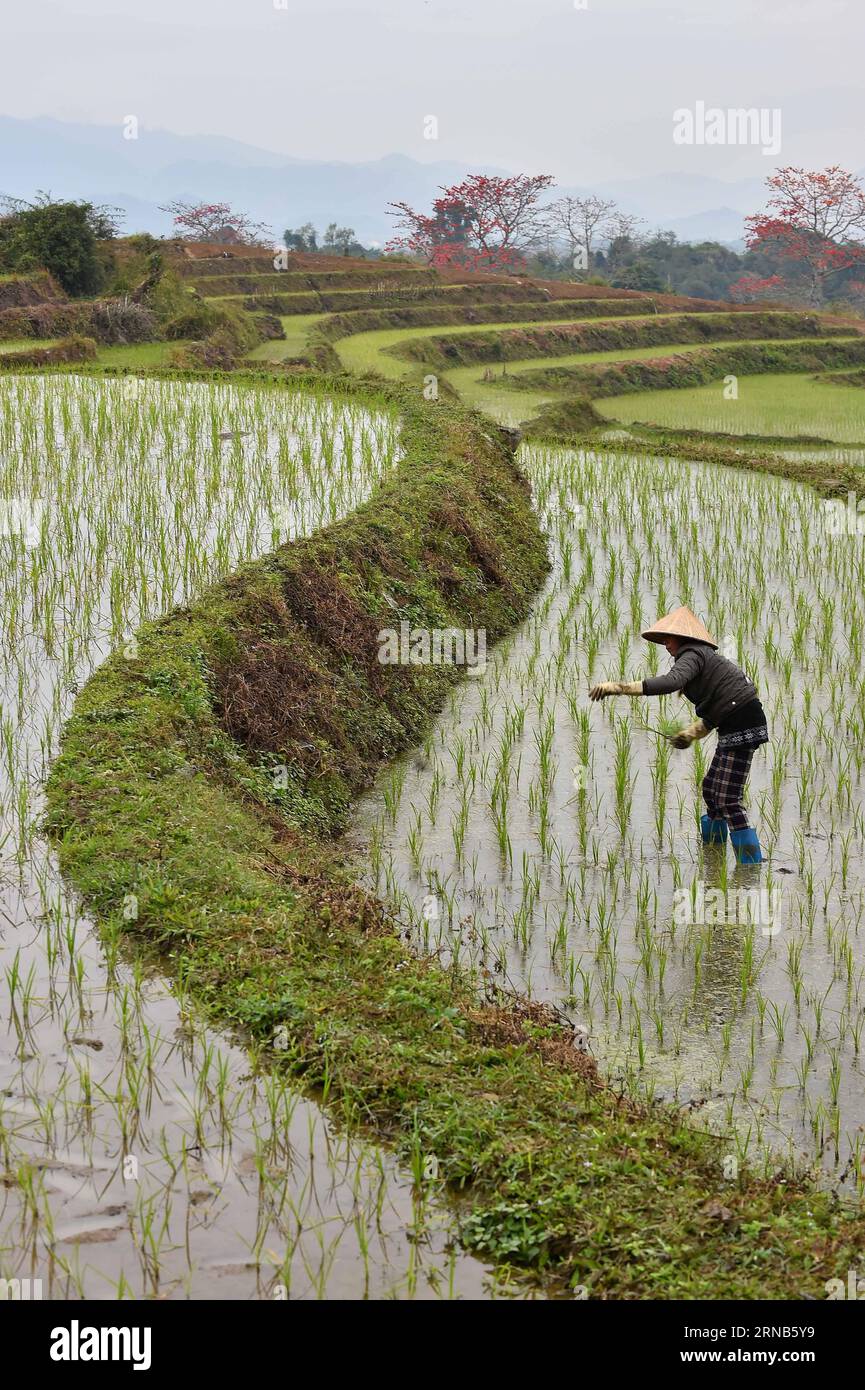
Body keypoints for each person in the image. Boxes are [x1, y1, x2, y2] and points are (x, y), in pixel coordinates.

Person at [588, 606, 766, 863]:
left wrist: (618, 688)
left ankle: (750, 867)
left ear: (683, 638)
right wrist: (692, 734)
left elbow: (670, 683)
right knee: (711, 790)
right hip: (735, 720)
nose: (666, 644)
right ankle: (713, 857)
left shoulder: (692, 654)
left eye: (669, 638)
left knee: (728, 798)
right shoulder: (698, 659)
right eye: (663, 640)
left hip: (743, 723)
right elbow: (721, 706)